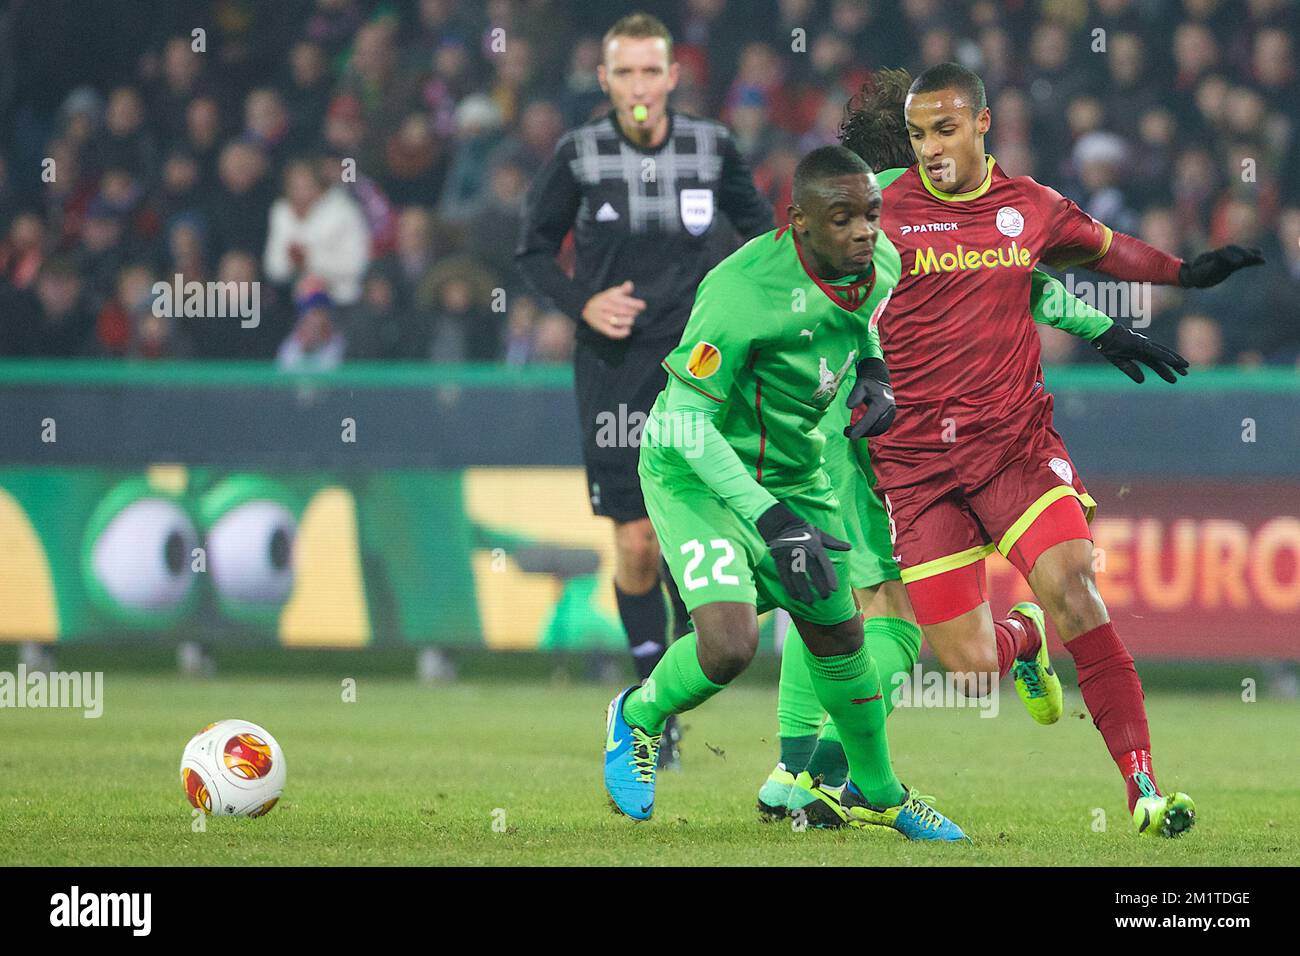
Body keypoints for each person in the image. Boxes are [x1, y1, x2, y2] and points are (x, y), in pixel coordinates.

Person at [774, 63, 1262, 838]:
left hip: (1015, 447)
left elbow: (1104, 251)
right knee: (968, 664)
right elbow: (796, 261)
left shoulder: (1028, 209)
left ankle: (1144, 790)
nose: (930, 148)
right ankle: (1025, 637)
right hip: (913, 468)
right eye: (917, 135)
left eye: (944, 130)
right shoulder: (881, 210)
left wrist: (1183, 275)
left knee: (1075, 581)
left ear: (981, 124)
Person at [604, 144, 967, 841]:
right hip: (697, 474)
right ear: (798, 222)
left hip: (795, 472)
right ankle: (639, 715)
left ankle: (878, 791)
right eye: (843, 219)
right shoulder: (740, 291)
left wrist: (874, 372)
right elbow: (683, 419)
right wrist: (770, 519)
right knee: (730, 645)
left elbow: (863, 326)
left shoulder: (880, 261)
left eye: (871, 214)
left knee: (839, 633)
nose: (864, 231)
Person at [516, 12, 773, 767]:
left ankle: (668, 698)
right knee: (633, 543)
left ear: (671, 76)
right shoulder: (579, 155)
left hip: (698, 367)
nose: (637, 86)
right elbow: (530, 251)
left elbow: (763, 240)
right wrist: (581, 305)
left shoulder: (711, 147)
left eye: (649, 72)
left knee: (678, 537)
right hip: (614, 367)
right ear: (604, 80)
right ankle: (648, 709)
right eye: (622, 73)